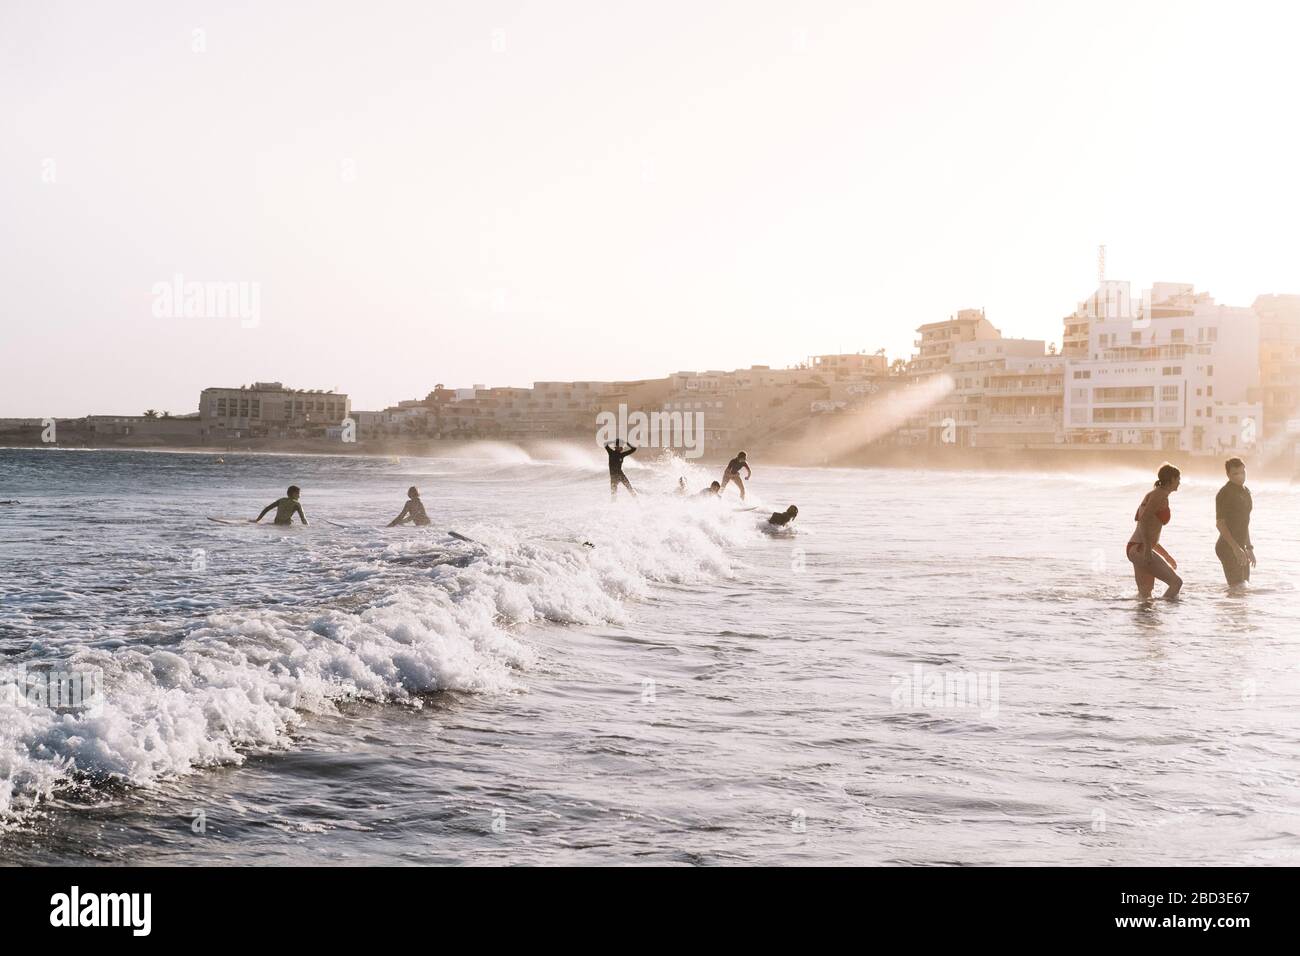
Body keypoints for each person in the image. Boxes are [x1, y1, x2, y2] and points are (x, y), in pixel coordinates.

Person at [1126, 463, 1181, 600]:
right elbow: (1144, 521)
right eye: (1178, 479)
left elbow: (1149, 532)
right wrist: (1146, 550)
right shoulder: (1159, 495)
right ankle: (1167, 611)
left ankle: (1144, 615)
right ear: (1171, 479)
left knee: (1145, 596)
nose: (1179, 482)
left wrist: (1166, 555)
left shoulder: (1155, 493)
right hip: (1140, 548)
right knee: (1176, 583)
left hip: (1136, 547)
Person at [1215, 457, 1254, 586]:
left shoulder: (1246, 491)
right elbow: (1220, 524)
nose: (1240, 476)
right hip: (1227, 547)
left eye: (1242, 472)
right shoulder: (1224, 493)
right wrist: (1235, 548)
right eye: (1235, 473)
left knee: (1244, 586)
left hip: (1241, 547)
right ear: (1228, 474)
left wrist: (1249, 548)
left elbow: (1245, 523)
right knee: (1237, 587)